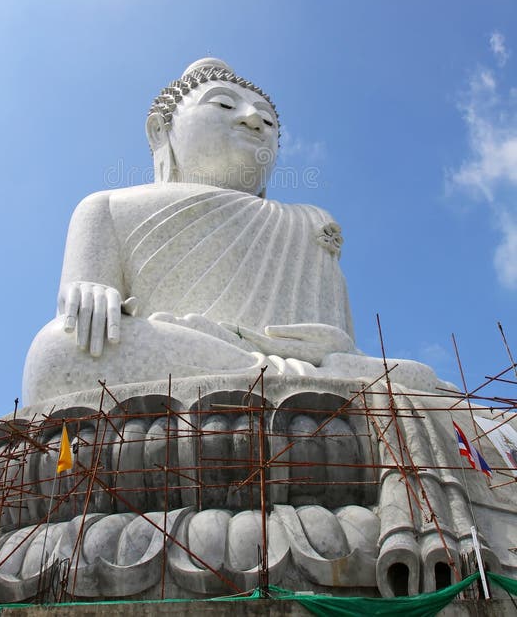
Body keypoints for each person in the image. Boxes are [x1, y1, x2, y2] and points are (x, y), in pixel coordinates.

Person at [23, 58, 378, 403]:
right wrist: (90, 293)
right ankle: (292, 386)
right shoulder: (106, 206)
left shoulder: (308, 220)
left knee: (411, 379)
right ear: (160, 131)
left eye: (269, 123)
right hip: (182, 347)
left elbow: (344, 347)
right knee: (57, 349)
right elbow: (78, 316)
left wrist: (334, 348)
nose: (254, 120)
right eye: (223, 104)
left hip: (308, 368)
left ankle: (284, 383)